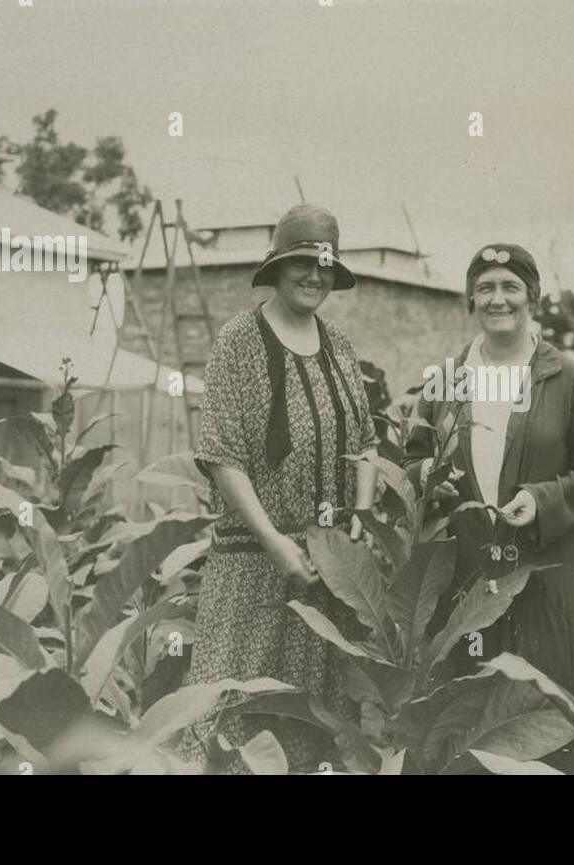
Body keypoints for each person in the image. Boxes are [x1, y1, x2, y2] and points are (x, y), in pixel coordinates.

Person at [404, 242, 574, 773]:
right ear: (470, 299)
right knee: (470, 718)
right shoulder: (445, 379)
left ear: (532, 297)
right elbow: (413, 458)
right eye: (485, 288)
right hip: (466, 582)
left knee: (548, 713)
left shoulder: (568, 379)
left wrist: (540, 499)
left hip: (543, 578)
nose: (497, 300)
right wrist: (428, 478)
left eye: (510, 287)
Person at [183, 205, 379, 774]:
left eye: (323, 266)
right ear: (276, 267)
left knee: (316, 728)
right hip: (254, 572)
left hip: (327, 574)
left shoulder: (338, 342)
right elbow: (222, 456)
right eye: (302, 263)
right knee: (237, 724)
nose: (314, 277)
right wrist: (274, 542)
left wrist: (362, 516)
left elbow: (366, 442)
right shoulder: (240, 340)